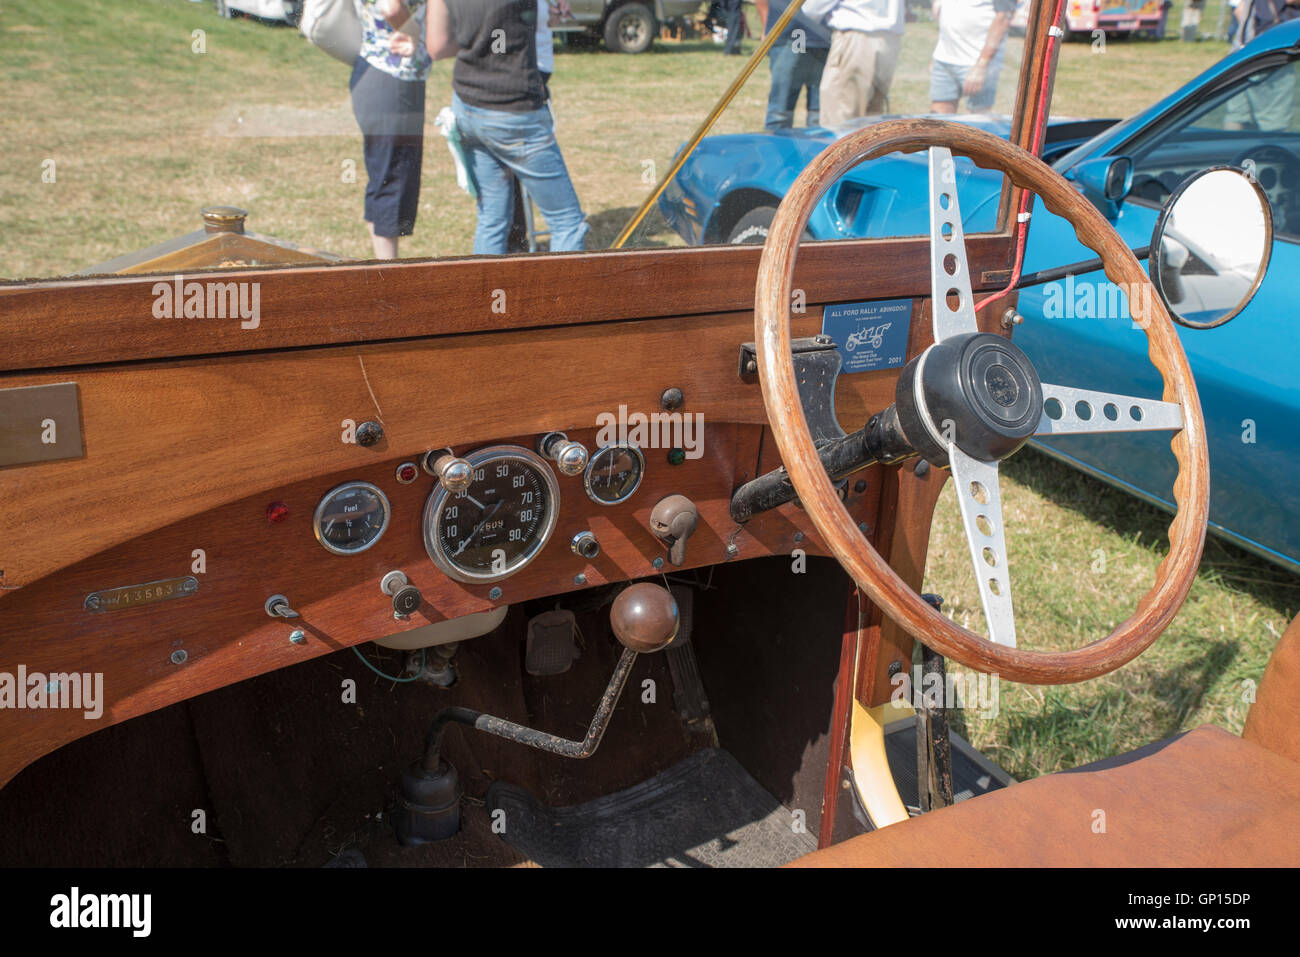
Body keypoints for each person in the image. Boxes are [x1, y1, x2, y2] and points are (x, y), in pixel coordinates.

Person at [426, 0, 588, 255]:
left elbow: (437, 46)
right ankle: (565, 296)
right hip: (514, 113)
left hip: (468, 106)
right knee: (568, 224)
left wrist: (479, 38)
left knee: (491, 219)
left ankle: (485, 295)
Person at [351, 0, 432, 259]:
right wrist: (417, 34)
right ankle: (388, 280)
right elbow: (391, 7)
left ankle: (385, 274)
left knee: (385, 178)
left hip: (380, 73)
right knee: (391, 181)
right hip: (392, 77)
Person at [802, 0, 906, 127]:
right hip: (888, 40)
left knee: (840, 121)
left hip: (856, 38)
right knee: (871, 122)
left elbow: (812, 8)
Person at [754, 0, 832, 129]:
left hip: (825, 38)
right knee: (780, 112)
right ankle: (777, 148)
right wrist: (767, 30)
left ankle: (820, 148)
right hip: (788, 36)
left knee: (820, 114)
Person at [929, 0, 1015, 114]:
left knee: (976, 121)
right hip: (944, 59)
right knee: (938, 124)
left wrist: (982, 64)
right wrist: (938, 53)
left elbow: (1004, 17)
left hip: (977, 62)